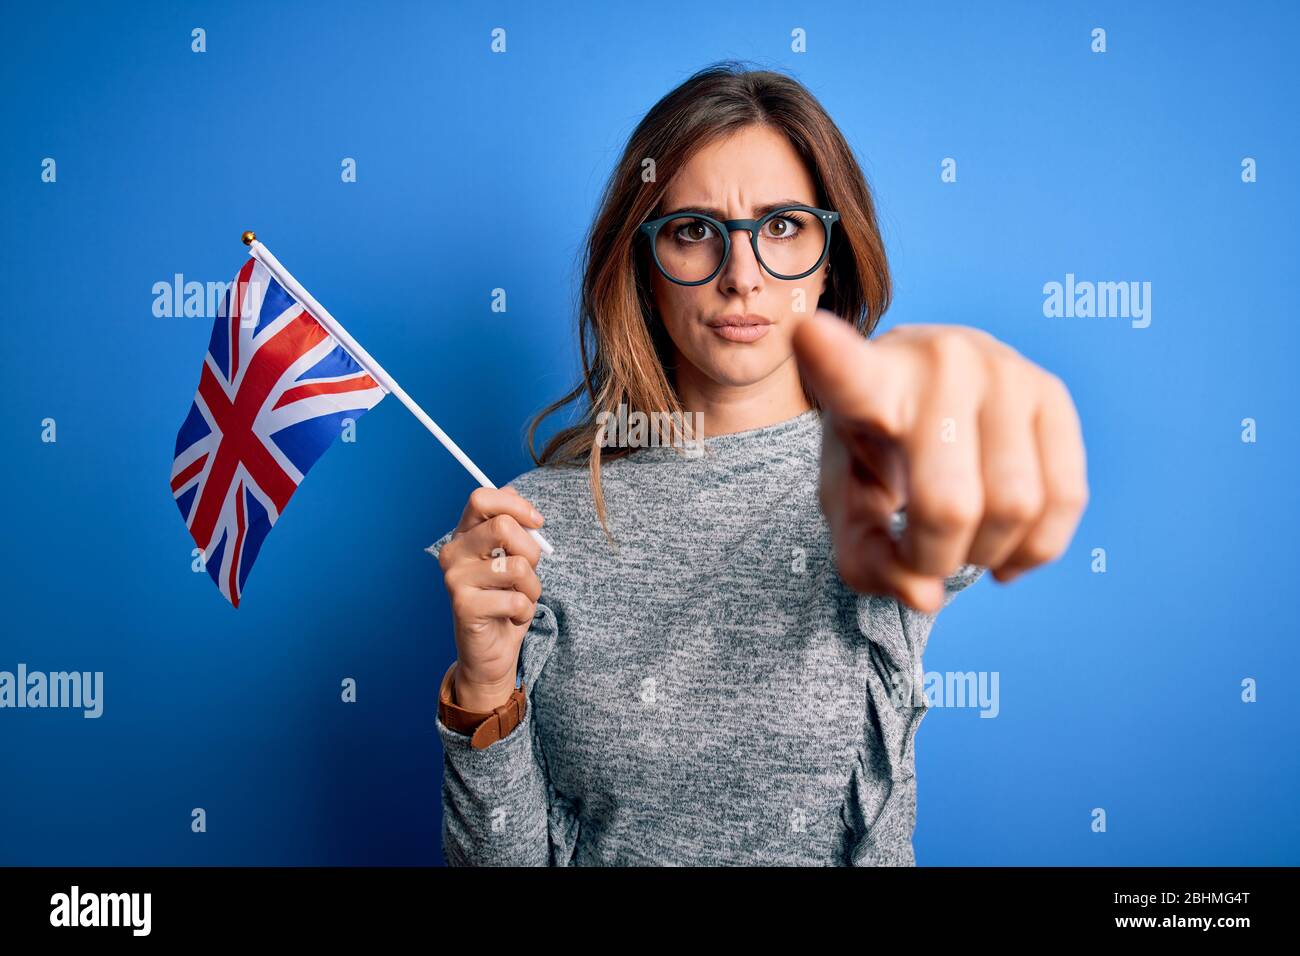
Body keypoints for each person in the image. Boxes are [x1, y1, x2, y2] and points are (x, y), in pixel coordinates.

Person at [427, 61, 1087, 865]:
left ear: (831, 256)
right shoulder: (536, 525)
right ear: (642, 262)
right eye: (694, 230)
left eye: (782, 226)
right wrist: (484, 691)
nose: (742, 277)